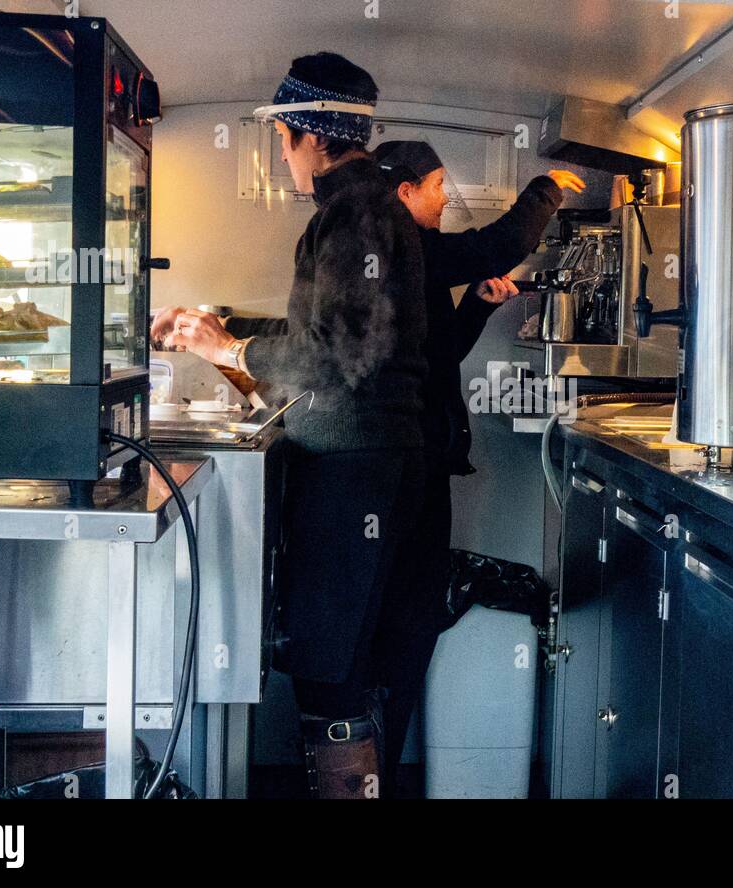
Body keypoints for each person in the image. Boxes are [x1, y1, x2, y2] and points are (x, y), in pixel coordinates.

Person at [151, 53, 426, 799]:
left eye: (283, 136)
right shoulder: (362, 209)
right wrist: (222, 325)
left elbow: (340, 356)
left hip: (355, 469)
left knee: (331, 670)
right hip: (363, 464)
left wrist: (227, 348)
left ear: (309, 133)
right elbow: (325, 329)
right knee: (335, 663)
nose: (282, 154)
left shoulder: (355, 216)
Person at [370, 140, 584, 790]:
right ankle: (368, 773)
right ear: (405, 191)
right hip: (397, 477)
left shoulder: (406, 261)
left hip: (418, 470)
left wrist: (478, 307)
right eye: (437, 185)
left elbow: (441, 357)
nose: (445, 198)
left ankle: (373, 770)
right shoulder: (396, 248)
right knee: (399, 637)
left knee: (405, 633)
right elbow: (498, 242)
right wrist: (547, 189)